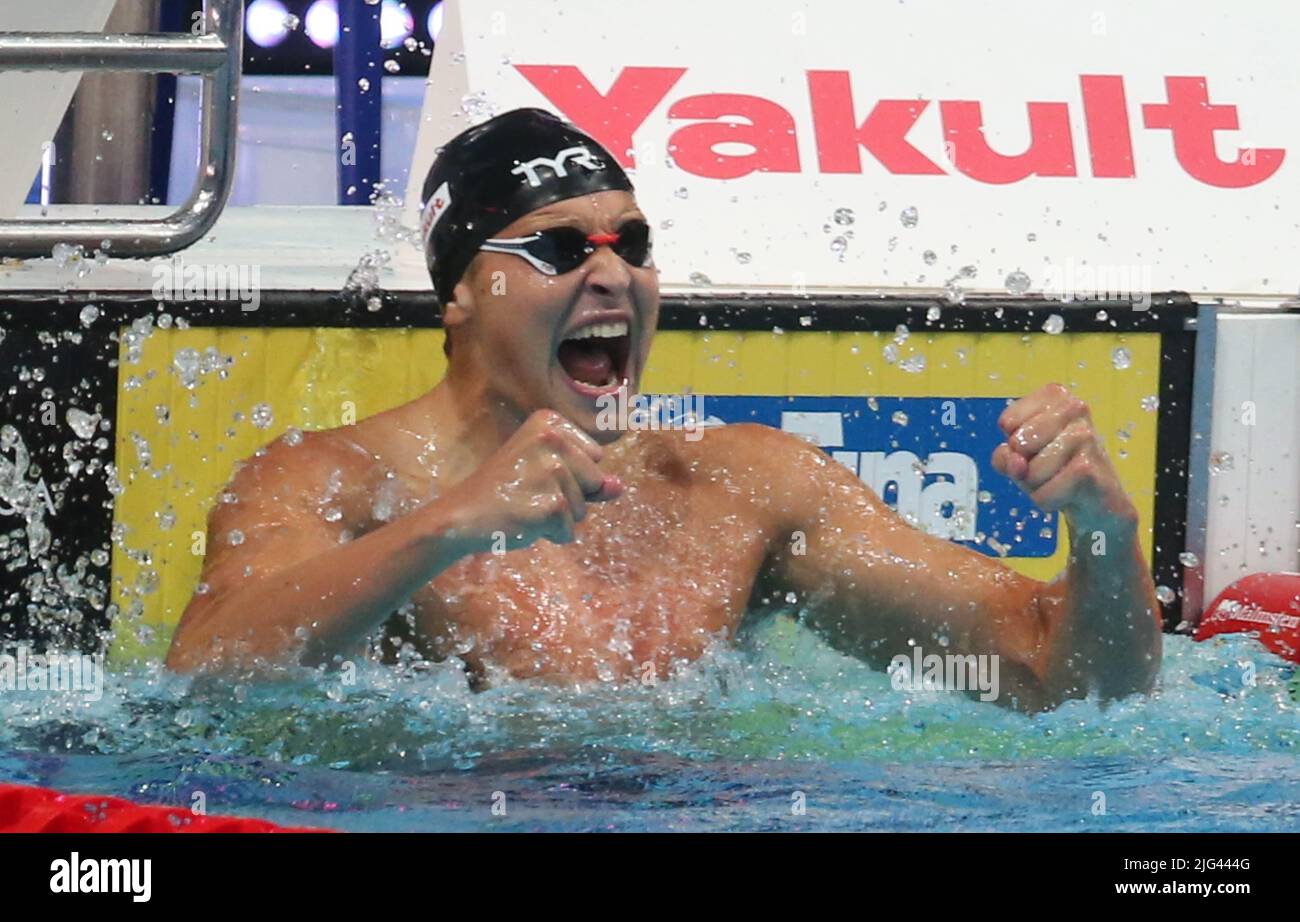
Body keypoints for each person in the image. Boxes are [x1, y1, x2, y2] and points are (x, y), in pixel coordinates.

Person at [166, 108, 1161, 711]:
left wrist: (1106, 538)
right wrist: (447, 525)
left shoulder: (737, 485)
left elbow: (1061, 688)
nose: (612, 274)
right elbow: (202, 682)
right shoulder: (333, 481)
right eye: (561, 249)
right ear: (460, 290)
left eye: (630, 245)